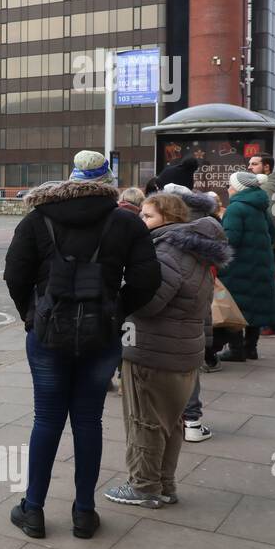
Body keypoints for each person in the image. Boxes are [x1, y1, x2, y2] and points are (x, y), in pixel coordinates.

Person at [4, 150, 162, 539]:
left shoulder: (37, 220)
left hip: (47, 336)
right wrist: (117, 308)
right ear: (108, 181)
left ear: (69, 180)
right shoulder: (126, 222)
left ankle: (34, 510)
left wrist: (33, 312)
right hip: (101, 335)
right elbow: (147, 280)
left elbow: (14, 276)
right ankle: (83, 513)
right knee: (89, 422)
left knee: (46, 419)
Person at [104, 192, 232, 508]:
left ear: (168, 218)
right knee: (170, 423)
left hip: (153, 349)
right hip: (183, 351)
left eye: (147, 216)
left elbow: (148, 303)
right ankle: (165, 484)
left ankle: (144, 487)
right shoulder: (194, 252)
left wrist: (120, 293)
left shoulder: (165, 252)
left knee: (144, 420)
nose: (141, 222)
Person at [161, 183, 232, 440]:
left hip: (171, 315)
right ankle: (191, 421)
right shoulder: (205, 231)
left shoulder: (170, 237)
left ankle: (182, 420)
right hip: (196, 312)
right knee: (188, 366)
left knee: (174, 368)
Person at [215, 171, 275, 362]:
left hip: (238, 267)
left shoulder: (236, 208)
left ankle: (236, 350)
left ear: (238, 188)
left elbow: (230, 240)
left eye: (230, 185)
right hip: (260, 263)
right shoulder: (260, 207)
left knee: (236, 306)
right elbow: (272, 235)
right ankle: (251, 348)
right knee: (255, 305)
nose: (228, 188)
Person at [248, 152, 275, 335]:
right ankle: (271, 322)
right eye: (249, 163)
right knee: (273, 279)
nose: (250, 167)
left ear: (266, 167)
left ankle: (271, 323)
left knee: (269, 281)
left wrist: (265, 240)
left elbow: (271, 219)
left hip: (272, 240)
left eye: (254, 164)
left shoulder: (267, 187)